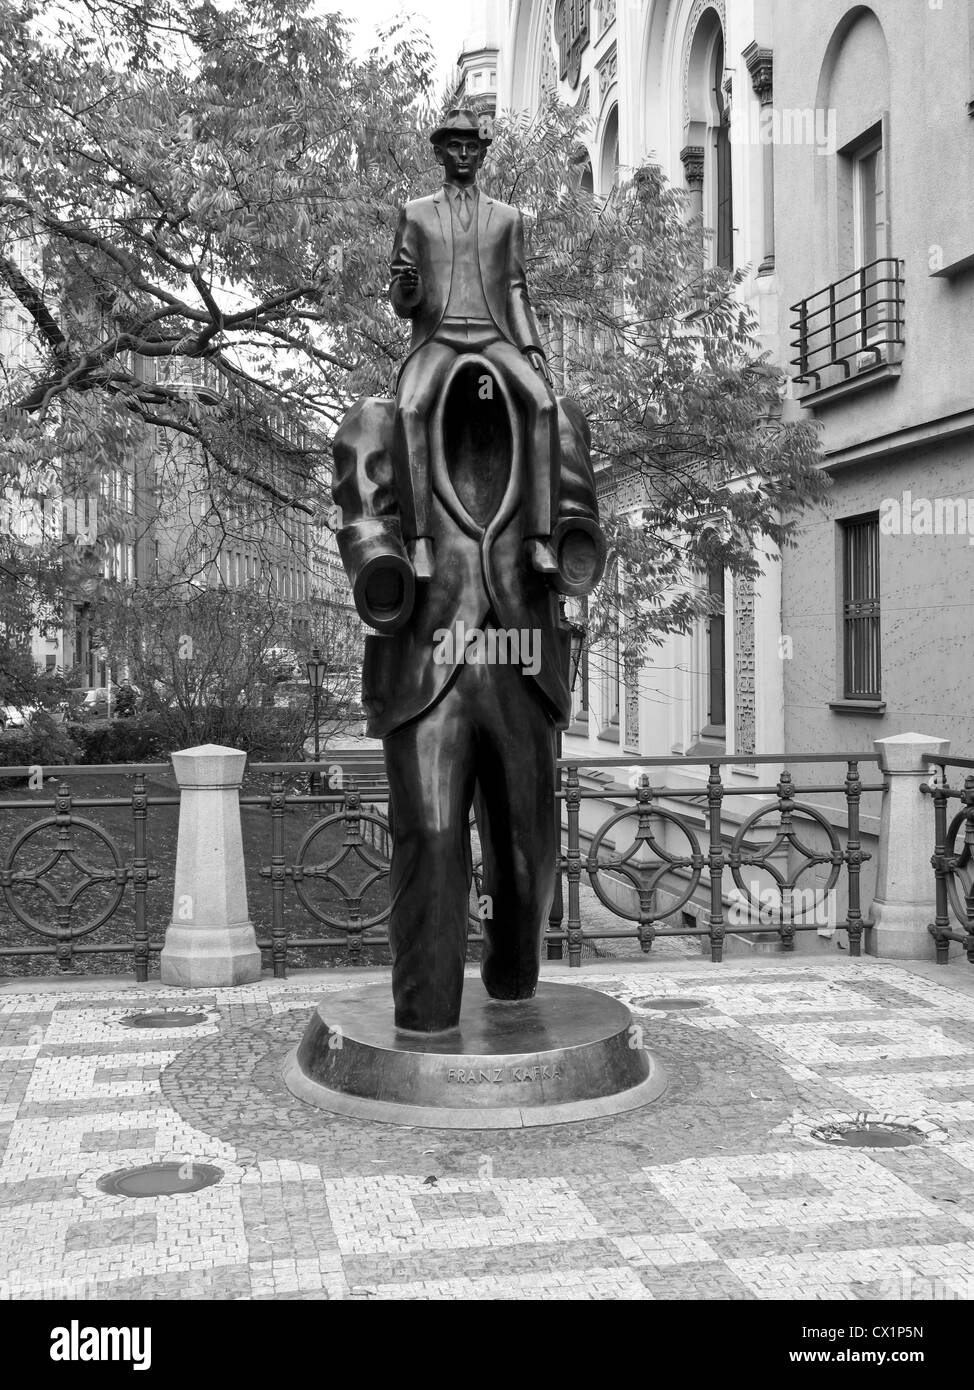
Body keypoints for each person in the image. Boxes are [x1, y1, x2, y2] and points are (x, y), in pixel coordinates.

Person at [389, 108, 559, 583]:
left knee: (543, 404)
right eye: (454, 146)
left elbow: (516, 291)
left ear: (482, 153)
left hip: (493, 336)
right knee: (408, 410)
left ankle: (539, 540)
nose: (463, 154)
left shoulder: (507, 218)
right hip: (438, 338)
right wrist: (407, 286)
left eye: (472, 146)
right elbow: (403, 302)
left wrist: (532, 349)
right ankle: (420, 542)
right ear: (439, 151)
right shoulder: (415, 213)